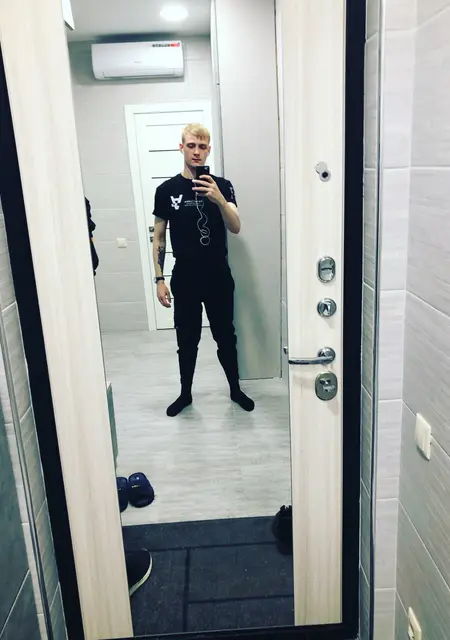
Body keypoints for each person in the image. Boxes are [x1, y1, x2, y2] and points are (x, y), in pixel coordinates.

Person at [152, 123, 255, 417]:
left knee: (226, 336)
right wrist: (159, 279)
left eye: (202, 146)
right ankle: (185, 393)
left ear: (209, 150)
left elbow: (236, 227)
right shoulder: (166, 190)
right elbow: (159, 237)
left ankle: (235, 389)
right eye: (191, 145)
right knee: (187, 339)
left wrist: (219, 199)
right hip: (184, 276)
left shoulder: (222, 185)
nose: (196, 152)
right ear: (181, 147)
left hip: (217, 275)